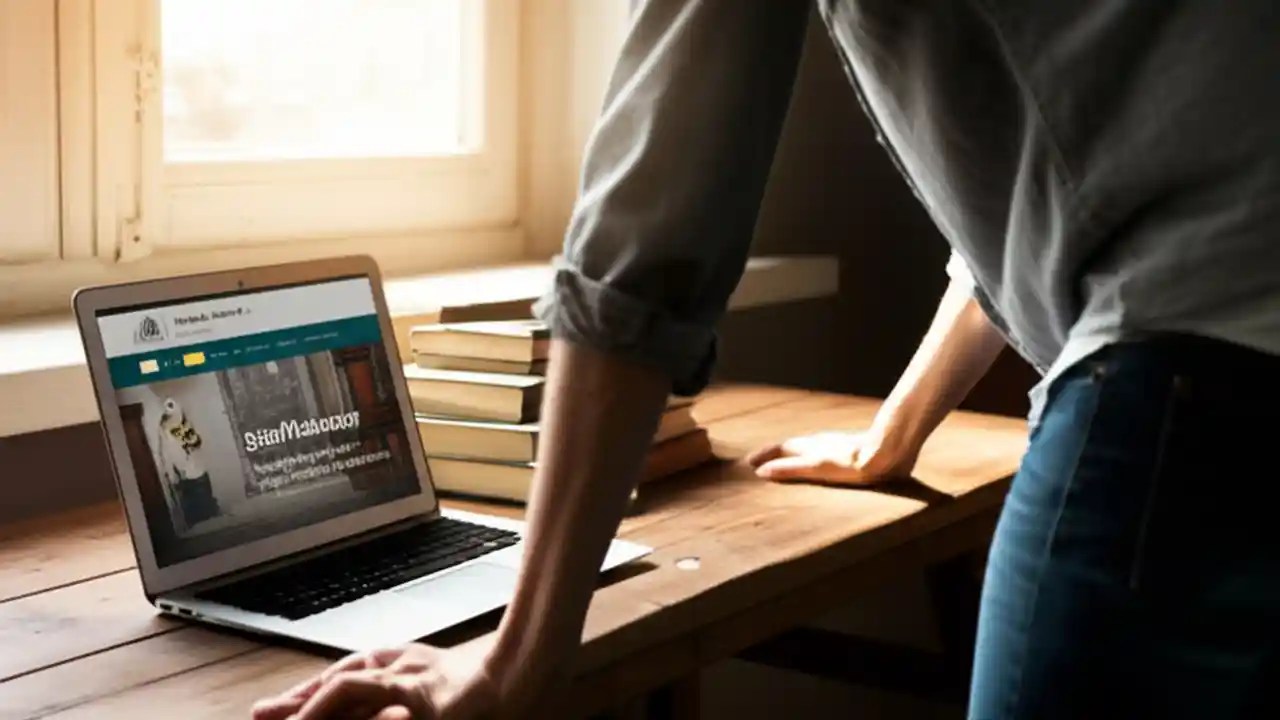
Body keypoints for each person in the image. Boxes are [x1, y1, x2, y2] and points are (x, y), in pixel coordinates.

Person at [252, 2, 1280, 718]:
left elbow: (644, 246)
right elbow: (1078, 173)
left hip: (1184, 411)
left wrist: (518, 659)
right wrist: (896, 430)